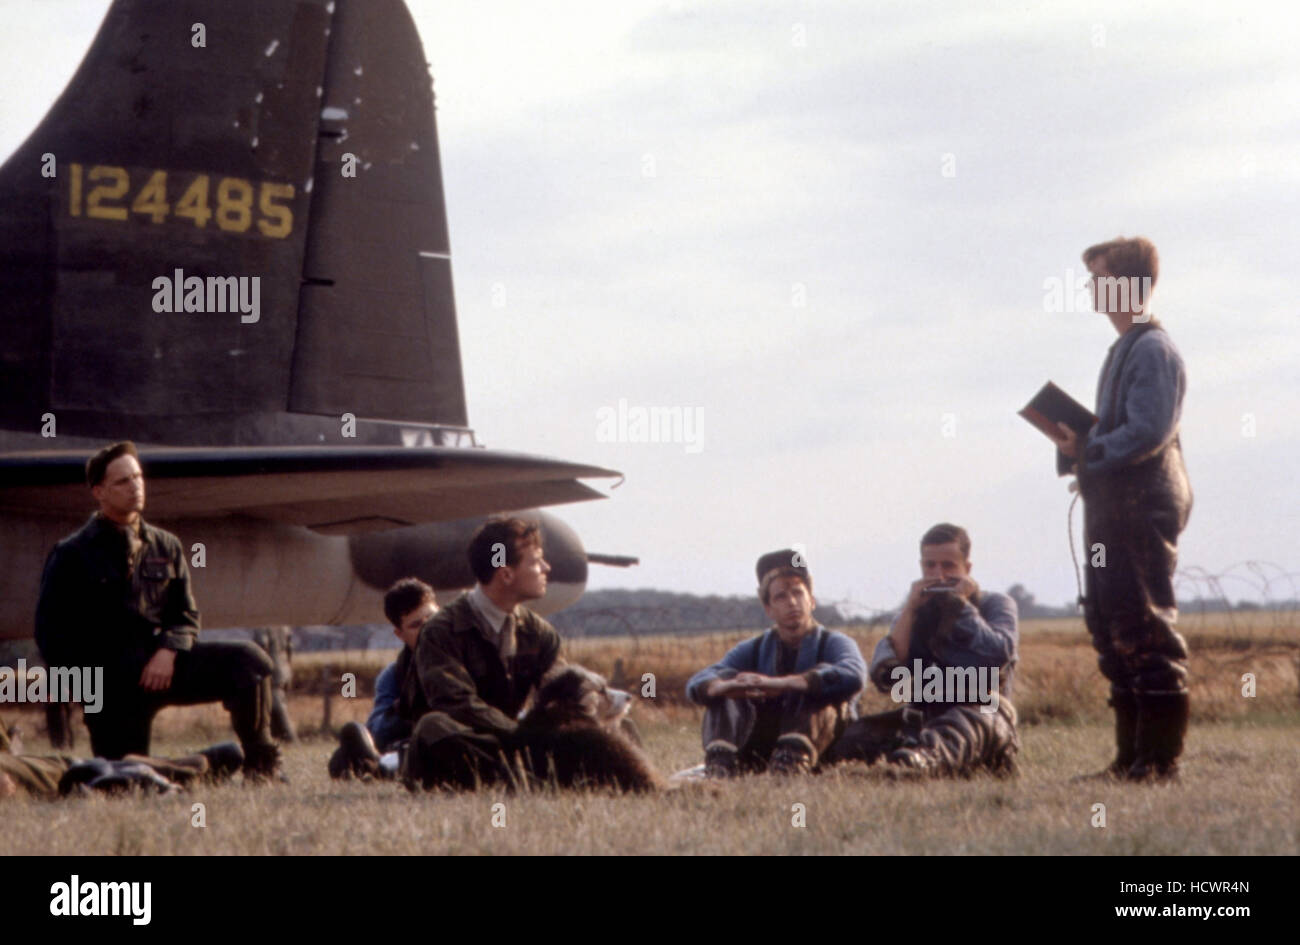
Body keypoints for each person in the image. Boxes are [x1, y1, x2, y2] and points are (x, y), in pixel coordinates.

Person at [33, 442, 282, 780]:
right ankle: (200, 766)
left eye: (138, 477)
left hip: (160, 667)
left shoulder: (166, 545)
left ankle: (262, 765)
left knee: (249, 661)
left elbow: (186, 616)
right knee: (124, 775)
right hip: (110, 682)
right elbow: (51, 632)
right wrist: (84, 687)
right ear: (99, 492)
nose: (135, 486)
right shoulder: (71, 554)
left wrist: (168, 650)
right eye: (122, 481)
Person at [1052, 236, 1192, 781]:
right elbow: (1122, 434)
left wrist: (1088, 450)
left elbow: (1148, 433)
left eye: (1099, 277)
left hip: (1140, 508)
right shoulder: (1124, 349)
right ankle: (1130, 759)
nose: (1091, 288)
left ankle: (1158, 763)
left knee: (1145, 628)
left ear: (1128, 284)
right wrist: (1078, 447)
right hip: (1113, 507)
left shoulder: (1154, 350)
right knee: (1111, 625)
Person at [830, 524, 1020, 777]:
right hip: (924, 714)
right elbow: (889, 675)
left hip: (983, 713)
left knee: (958, 729)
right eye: (930, 566)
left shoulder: (995, 605)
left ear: (968, 568)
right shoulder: (914, 611)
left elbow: (998, 653)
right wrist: (910, 610)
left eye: (948, 566)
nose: (938, 575)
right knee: (851, 738)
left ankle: (923, 762)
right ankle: (911, 756)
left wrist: (960, 606)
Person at [400, 517, 563, 790]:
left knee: (614, 727)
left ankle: (524, 773)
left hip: (513, 743)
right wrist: (525, 736)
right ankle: (531, 774)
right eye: (536, 561)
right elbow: (457, 704)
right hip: (463, 743)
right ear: (506, 574)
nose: (546, 568)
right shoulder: (441, 631)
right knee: (434, 726)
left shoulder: (540, 633)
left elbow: (561, 694)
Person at [685, 550, 867, 777]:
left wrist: (787, 683)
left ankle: (792, 762)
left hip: (827, 745)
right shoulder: (755, 648)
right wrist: (721, 686)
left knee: (818, 682)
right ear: (769, 609)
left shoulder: (834, 642)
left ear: (811, 601)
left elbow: (854, 674)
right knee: (727, 678)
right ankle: (721, 766)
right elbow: (698, 681)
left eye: (798, 593)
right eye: (780, 596)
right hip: (767, 744)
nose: (792, 602)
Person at [328, 578, 438, 780]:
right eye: (416, 625)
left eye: (432, 618)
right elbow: (377, 730)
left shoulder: (466, 654)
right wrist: (405, 706)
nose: (428, 628)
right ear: (400, 634)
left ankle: (377, 767)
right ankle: (381, 765)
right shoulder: (394, 675)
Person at [0, 712, 243, 800]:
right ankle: (170, 777)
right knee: (106, 779)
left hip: (61, 768)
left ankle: (162, 769)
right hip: (63, 782)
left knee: (94, 769)